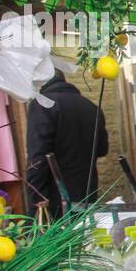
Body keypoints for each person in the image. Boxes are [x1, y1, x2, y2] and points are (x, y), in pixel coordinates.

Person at [26, 71, 108, 218]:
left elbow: (37, 157)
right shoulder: (92, 107)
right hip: (88, 192)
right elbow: (102, 149)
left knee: (62, 240)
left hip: (56, 197)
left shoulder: (43, 104)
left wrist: (34, 202)